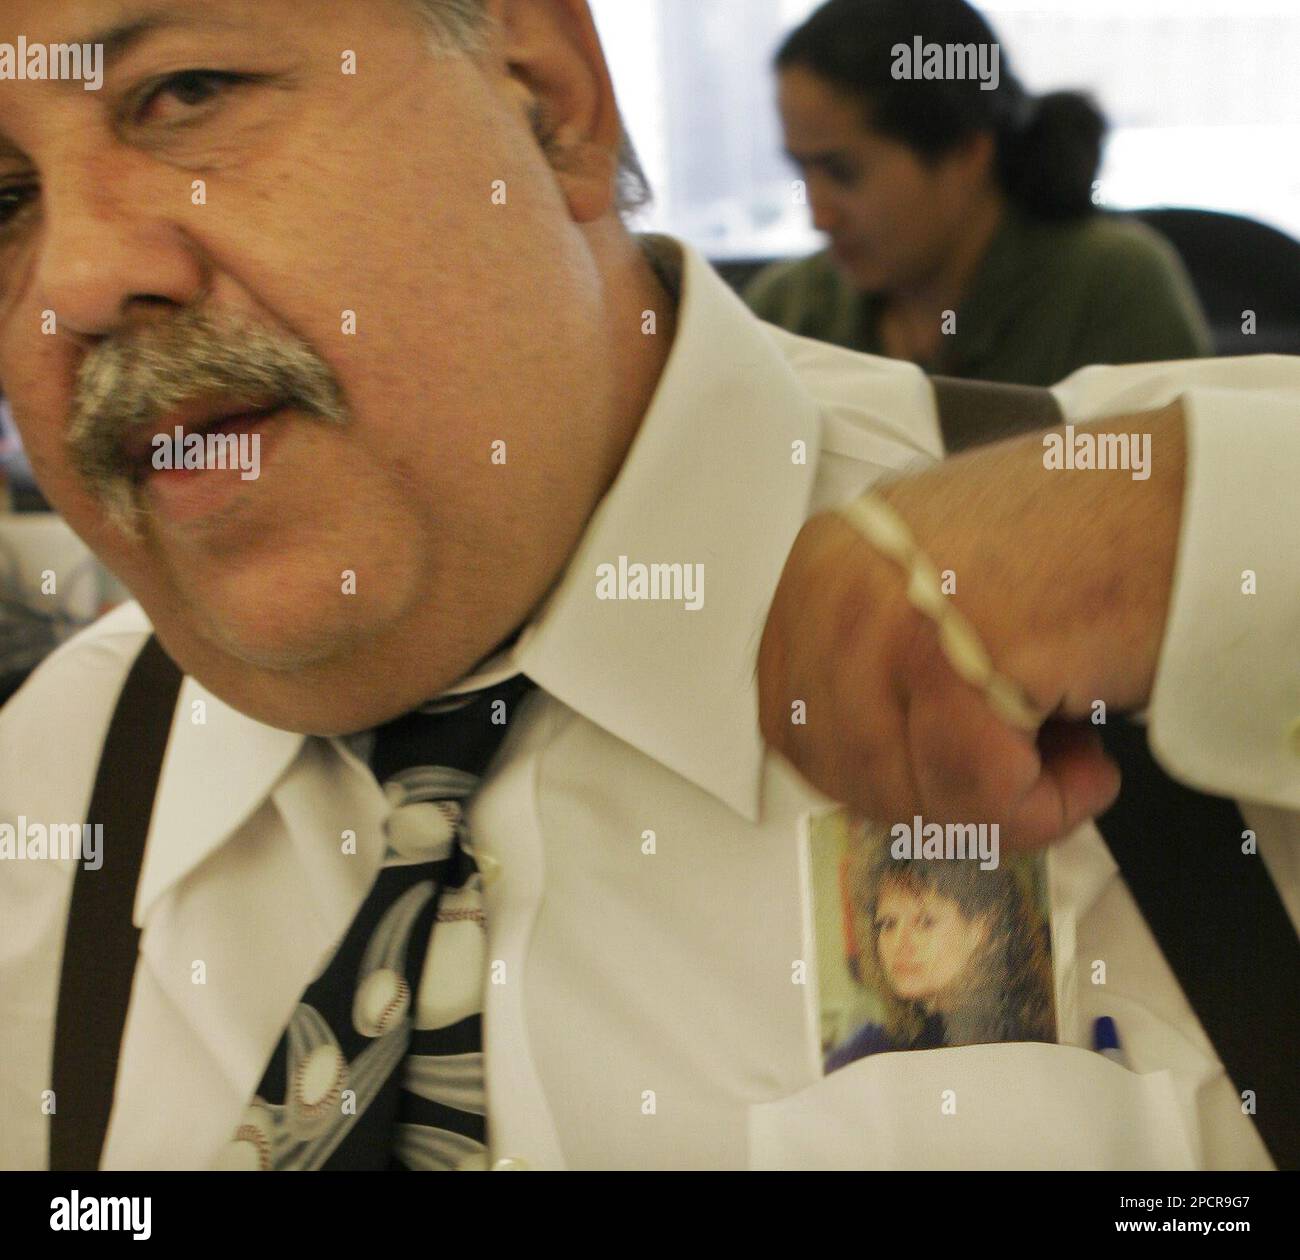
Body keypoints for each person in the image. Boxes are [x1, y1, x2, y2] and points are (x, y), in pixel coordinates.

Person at [0, 0, 1294, 1172]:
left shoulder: (1188, 583)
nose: (72, 282)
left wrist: (1192, 536)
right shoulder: (59, 797)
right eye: (4, 200)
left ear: (547, 95)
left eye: (187, 94)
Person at [744, 0, 1213, 388]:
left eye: (843, 173)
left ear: (967, 152)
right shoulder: (786, 313)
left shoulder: (1113, 288)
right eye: (801, 170)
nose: (819, 217)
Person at [826, 843, 1054, 1071]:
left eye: (925, 922)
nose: (900, 942)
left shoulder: (1017, 1046)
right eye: (888, 924)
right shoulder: (873, 1048)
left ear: (981, 928)